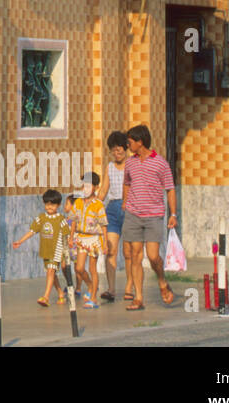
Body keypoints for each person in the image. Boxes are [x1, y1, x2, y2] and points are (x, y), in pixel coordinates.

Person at [120, 124, 177, 310]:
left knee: (153, 256)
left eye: (130, 142)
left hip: (154, 216)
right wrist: (125, 201)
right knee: (135, 256)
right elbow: (127, 183)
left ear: (140, 142)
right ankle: (139, 298)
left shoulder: (161, 163)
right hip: (133, 215)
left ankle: (162, 281)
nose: (128, 146)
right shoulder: (130, 162)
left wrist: (173, 214)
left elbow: (170, 189)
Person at [13, 189, 71, 307]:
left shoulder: (61, 220)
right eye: (47, 204)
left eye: (53, 204)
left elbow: (67, 235)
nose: (49, 207)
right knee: (51, 274)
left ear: (58, 205)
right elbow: (32, 231)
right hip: (46, 250)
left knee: (50, 271)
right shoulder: (41, 218)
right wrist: (20, 241)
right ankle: (60, 293)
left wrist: (68, 251)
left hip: (57, 250)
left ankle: (46, 297)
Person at [95, 131, 130, 302]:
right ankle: (111, 289)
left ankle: (130, 287)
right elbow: (103, 190)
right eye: (114, 151)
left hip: (129, 208)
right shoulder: (109, 167)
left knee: (129, 252)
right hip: (112, 209)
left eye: (120, 151)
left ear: (126, 149)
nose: (117, 154)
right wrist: (94, 206)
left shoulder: (132, 165)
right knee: (111, 250)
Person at [68, 173, 107, 308]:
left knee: (92, 268)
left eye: (89, 186)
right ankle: (90, 286)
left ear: (95, 187)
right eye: (84, 185)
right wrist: (72, 237)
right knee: (79, 268)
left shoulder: (98, 205)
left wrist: (105, 243)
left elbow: (103, 225)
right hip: (81, 238)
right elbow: (73, 220)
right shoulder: (78, 202)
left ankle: (94, 298)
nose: (85, 188)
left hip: (94, 239)